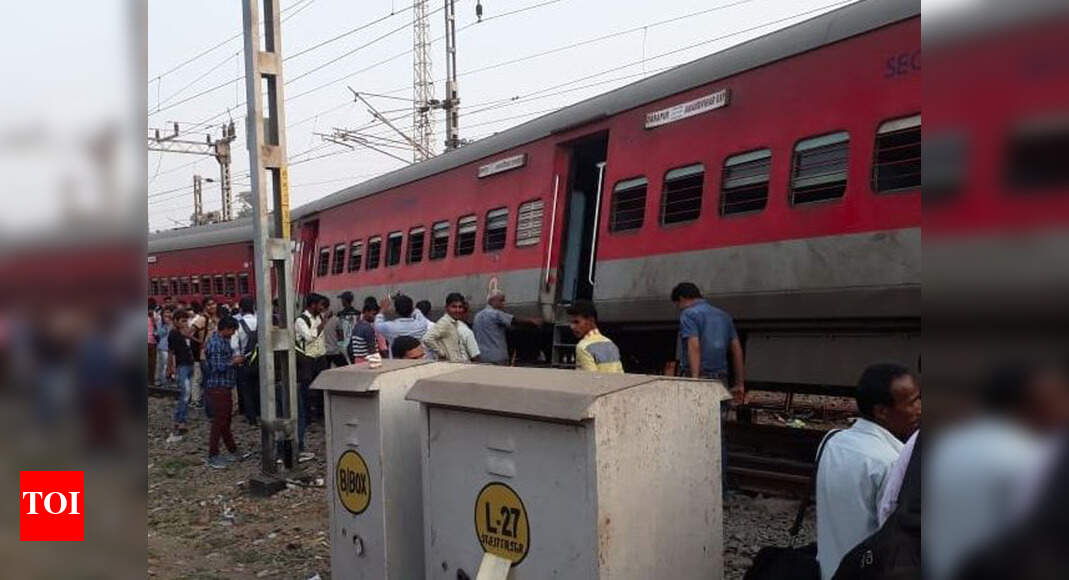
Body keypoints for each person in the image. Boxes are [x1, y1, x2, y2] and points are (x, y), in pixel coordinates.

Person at [816, 363, 921, 580]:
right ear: (882, 411)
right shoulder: (891, 463)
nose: (920, 408)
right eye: (913, 402)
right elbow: (895, 542)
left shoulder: (831, 442)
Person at [669, 282, 745, 403]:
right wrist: (740, 383)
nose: (679, 309)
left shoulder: (688, 314)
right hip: (720, 379)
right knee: (716, 418)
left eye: (678, 305)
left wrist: (694, 380)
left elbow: (694, 345)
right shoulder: (724, 316)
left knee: (693, 418)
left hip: (700, 376)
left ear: (681, 299)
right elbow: (737, 350)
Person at [203, 316, 244, 469]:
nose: (233, 333)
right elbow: (216, 367)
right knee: (220, 421)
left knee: (225, 420)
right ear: (225, 328)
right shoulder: (216, 344)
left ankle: (232, 449)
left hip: (224, 386)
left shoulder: (221, 341)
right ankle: (213, 454)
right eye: (232, 330)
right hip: (218, 386)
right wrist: (234, 361)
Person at [294, 293, 328, 460]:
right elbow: (309, 337)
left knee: (320, 388)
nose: (322, 308)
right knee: (307, 389)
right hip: (307, 359)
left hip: (320, 357)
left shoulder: (319, 317)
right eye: (320, 305)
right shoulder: (301, 320)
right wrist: (322, 326)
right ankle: (306, 418)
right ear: (312, 305)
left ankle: (319, 415)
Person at [473, 290, 541, 365]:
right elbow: (514, 320)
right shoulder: (495, 314)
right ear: (492, 301)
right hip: (497, 357)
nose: (503, 304)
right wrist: (532, 321)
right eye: (501, 301)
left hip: (482, 356)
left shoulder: (477, 316)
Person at [567, 300, 623, 373]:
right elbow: (621, 374)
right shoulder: (610, 343)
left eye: (576, 322)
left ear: (591, 320)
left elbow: (590, 379)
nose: (572, 327)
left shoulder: (583, 347)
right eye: (571, 322)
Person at [231, 296, 259, 425]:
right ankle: (262, 413)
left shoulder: (238, 324)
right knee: (260, 388)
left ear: (241, 309)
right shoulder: (261, 321)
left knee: (247, 391)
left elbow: (233, 345)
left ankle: (251, 417)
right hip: (261, 361)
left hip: (244, 361)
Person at [168, 309, 195, 436]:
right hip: (182, 365)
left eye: (186, 320)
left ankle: (178, 419)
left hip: (189, 363)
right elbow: (171, 352)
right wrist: (171, 367)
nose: (185, 323)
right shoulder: (173, 334)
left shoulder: (184, 333)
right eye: (183, 321)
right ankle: (181, 420)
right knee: (186, 393)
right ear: (176, 321)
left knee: (186, 394)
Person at [423, 292, 471, 362]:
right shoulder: (444, 322)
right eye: (454, 307)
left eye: (460, 307)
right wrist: (442, 353)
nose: (457, 310)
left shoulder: (454, 322)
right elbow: (427, 338)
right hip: (449, 364)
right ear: (446, 308)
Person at [347, 297, 380, 364]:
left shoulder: (357, 325)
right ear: (366, 312)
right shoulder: (368, 328)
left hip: (358, 361)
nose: (375, 317)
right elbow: (372, 349)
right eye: (373, 314)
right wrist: (376, 362)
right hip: (367, 362)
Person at [334, 291, 361, 365]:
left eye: (342, 299)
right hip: (355, 343)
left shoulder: (340, 315)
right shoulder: (358, 313)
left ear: (345, 300)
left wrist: (339, 344)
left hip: (343, 345)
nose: (341, 301)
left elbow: (339, 330)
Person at [154, 308, 174, 386]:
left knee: (168, 365)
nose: (168, 314)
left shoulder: (173, 322)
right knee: (162, 365)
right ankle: (161, 381)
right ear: (162, 314)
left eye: (169, 312)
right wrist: (166, 325)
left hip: (171, 347)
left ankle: (164, 380)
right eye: (166, 312)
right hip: (162, 346)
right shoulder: (160, 322)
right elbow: (160, 334)